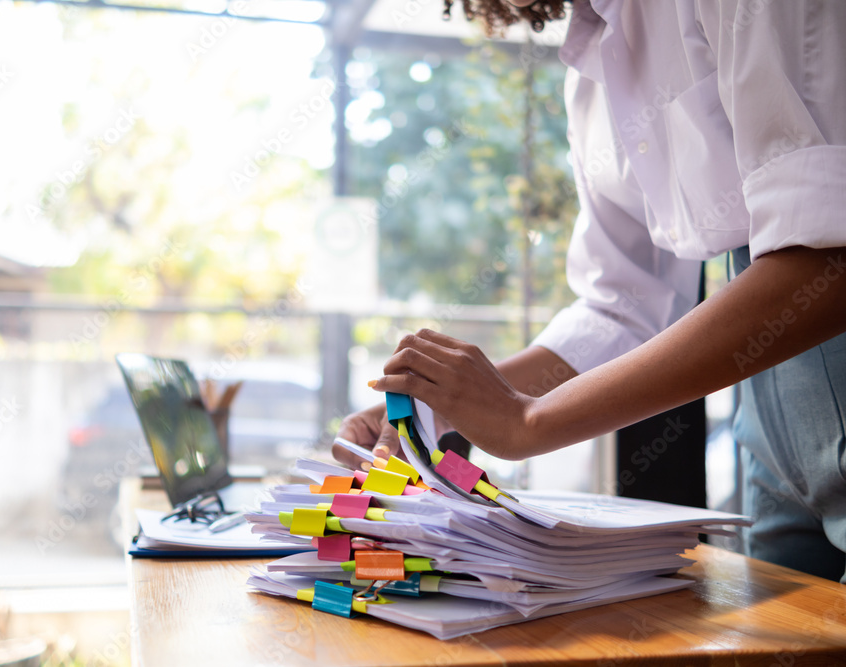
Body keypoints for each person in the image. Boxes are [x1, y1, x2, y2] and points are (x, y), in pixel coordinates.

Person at [334, 0, 846, 582]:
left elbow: (829, 255)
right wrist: (449, 407)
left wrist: (529, 422)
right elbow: (625, 304)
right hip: (772, 431)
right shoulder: (592, 72)